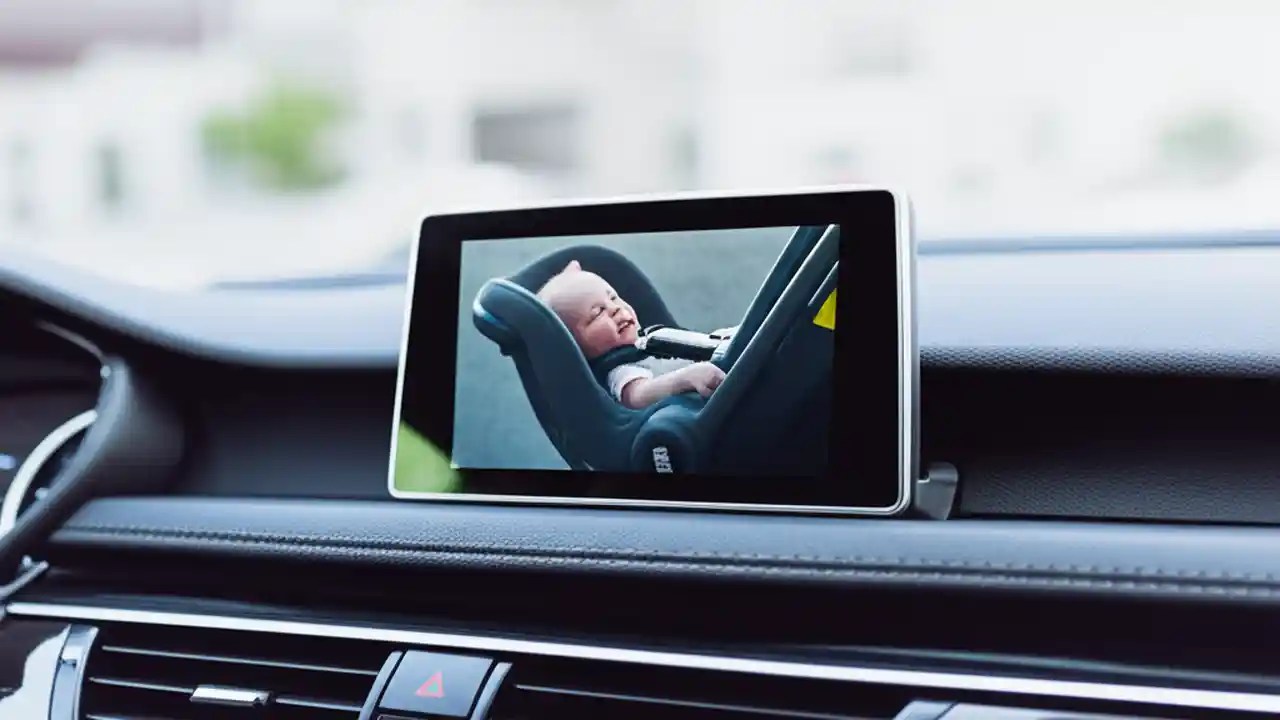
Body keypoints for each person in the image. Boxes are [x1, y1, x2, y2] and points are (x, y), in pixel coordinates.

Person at [537, 260, 726, 410]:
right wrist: (686, 379)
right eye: (597, 313)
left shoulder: (650, 339)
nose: (615, 309)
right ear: (575, 345)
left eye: (613, 298)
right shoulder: (621, 368)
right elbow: (638, 396)